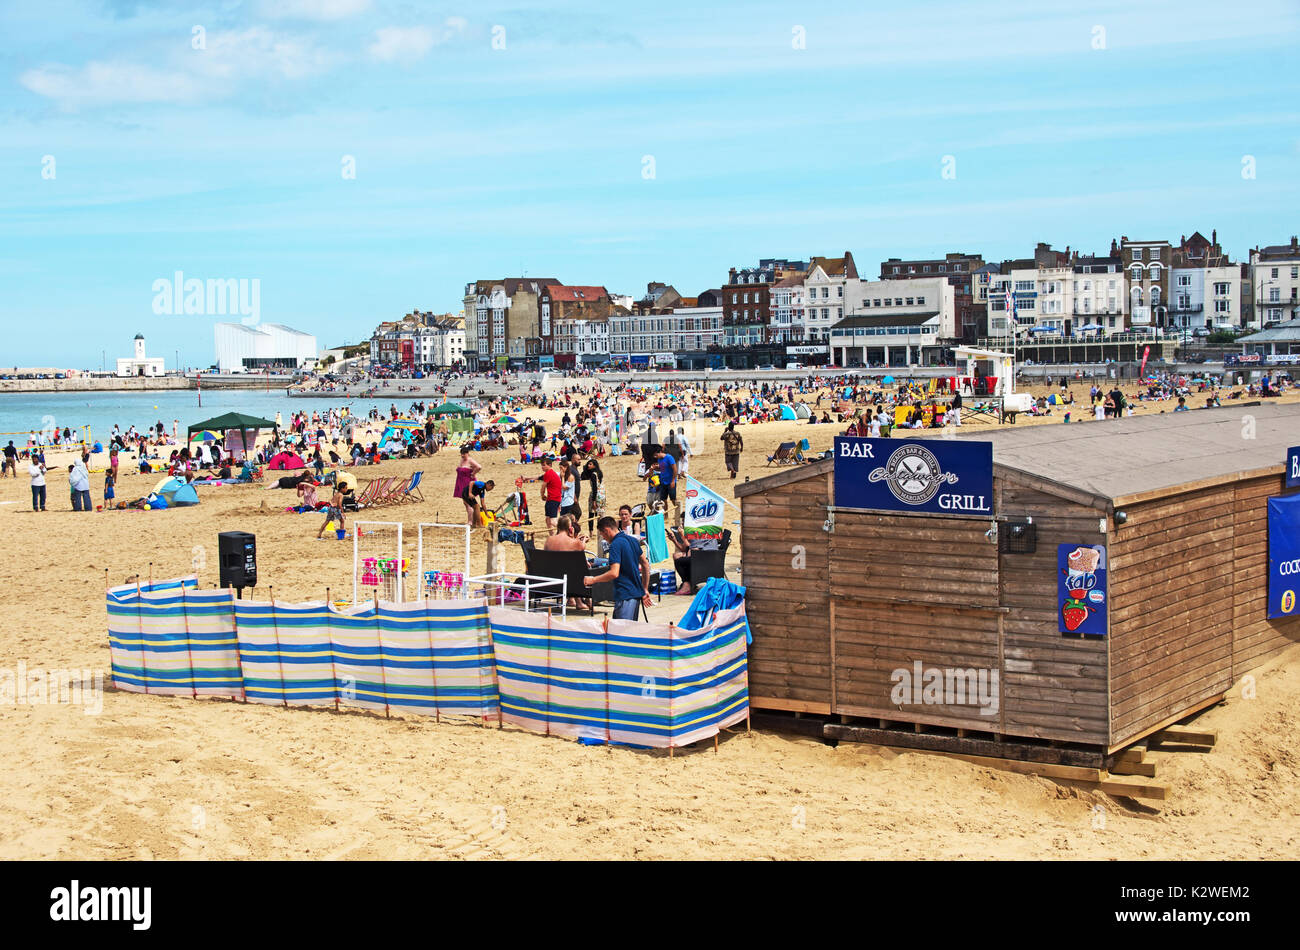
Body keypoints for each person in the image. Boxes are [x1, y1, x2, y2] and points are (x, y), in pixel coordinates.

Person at [583, 516, 652, 621]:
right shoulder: (633, 540)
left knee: (621, 631)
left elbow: (614, 573)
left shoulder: (615, 545)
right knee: (628, 630)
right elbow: (645, 564)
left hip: (625, 594)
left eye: (603, 535)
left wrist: (593, 580)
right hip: (636, 594)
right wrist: (645, 588)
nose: (604, 539)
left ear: (606, 530)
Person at [529, 455, 563, 532]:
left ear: (550, 465)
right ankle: (552, 534)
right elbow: (538, 477)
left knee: (553, 521)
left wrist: (542, 495)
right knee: (548, 519)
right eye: (542, 465)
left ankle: (565, 531)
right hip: (552, 498)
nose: (542, 467)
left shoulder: (549, 473)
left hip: (553, 499)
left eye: (544, 465)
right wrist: (526, 478)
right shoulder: (550, 473)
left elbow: (543, 486)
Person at [452, 447, 482, 526]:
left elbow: (479, 467)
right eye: (461, 454)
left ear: (467, 453)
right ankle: (471, 520)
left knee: (468, 503)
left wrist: (473, 473)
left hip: (467, 483)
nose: (462, 455)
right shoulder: (462, 460)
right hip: (460, 482)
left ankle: (470, 521)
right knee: (465, 503)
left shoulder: (470, 460)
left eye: (464, 454)